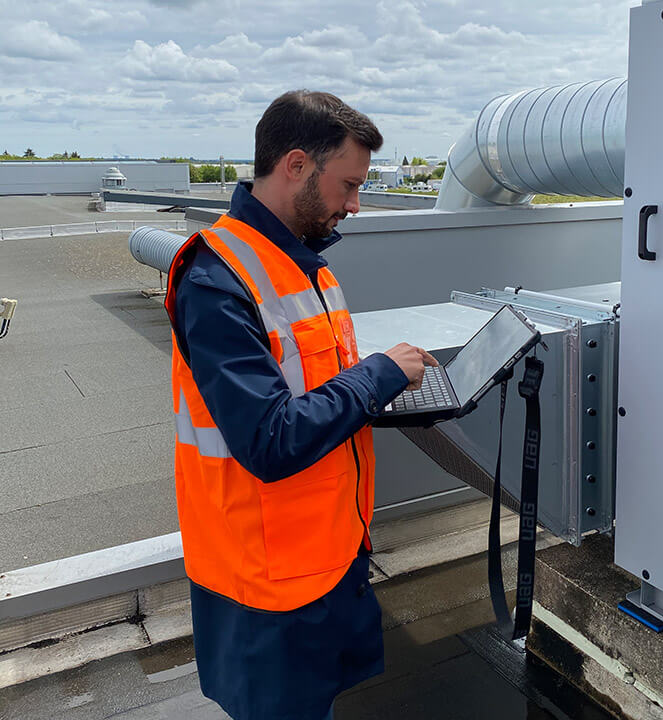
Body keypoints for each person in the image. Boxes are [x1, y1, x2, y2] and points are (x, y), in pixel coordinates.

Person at [163, 90, 437, 720]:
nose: (354, 204)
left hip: (328, 556)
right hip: (261, 582)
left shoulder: (311, 270)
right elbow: (269, 439)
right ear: (295, 165)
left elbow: (323, 400)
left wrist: (396, 388)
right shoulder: (216, 277)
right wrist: (378, 375)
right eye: (347, 185)